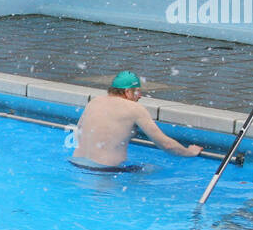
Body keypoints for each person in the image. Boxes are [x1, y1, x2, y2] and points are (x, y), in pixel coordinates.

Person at [70, 70, 202, 171]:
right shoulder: (134, 108)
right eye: (137, 92)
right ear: (127, 92)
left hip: (76, 163)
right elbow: (166, 144)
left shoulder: (95, 102)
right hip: (105, 171)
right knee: (153, 171)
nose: (140, 96)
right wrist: (189, 152)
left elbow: (80, 131)